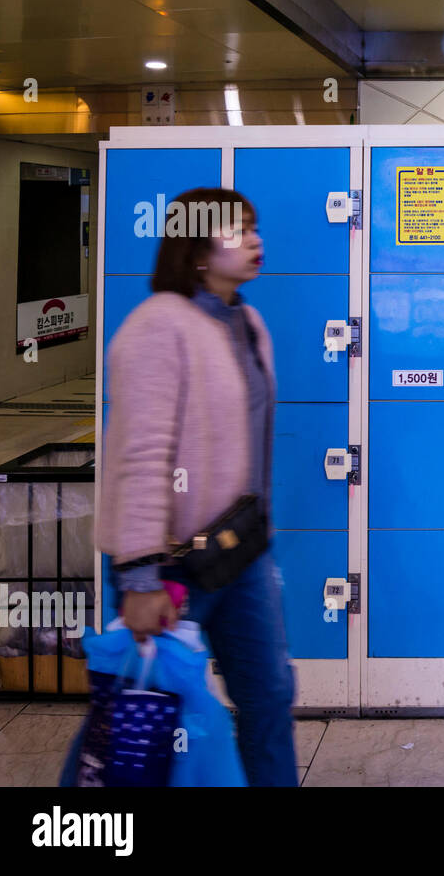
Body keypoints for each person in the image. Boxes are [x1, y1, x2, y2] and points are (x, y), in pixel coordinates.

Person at [71, 187, 296, 786]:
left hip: (240, 553)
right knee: (151, 714)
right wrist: (141, 575)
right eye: (237, 231)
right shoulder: (157, 327)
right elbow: (142, 456)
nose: (255, 241)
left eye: (255, 228)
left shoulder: (246, 321)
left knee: (270, 698)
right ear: (196, 250)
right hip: (174, 568)